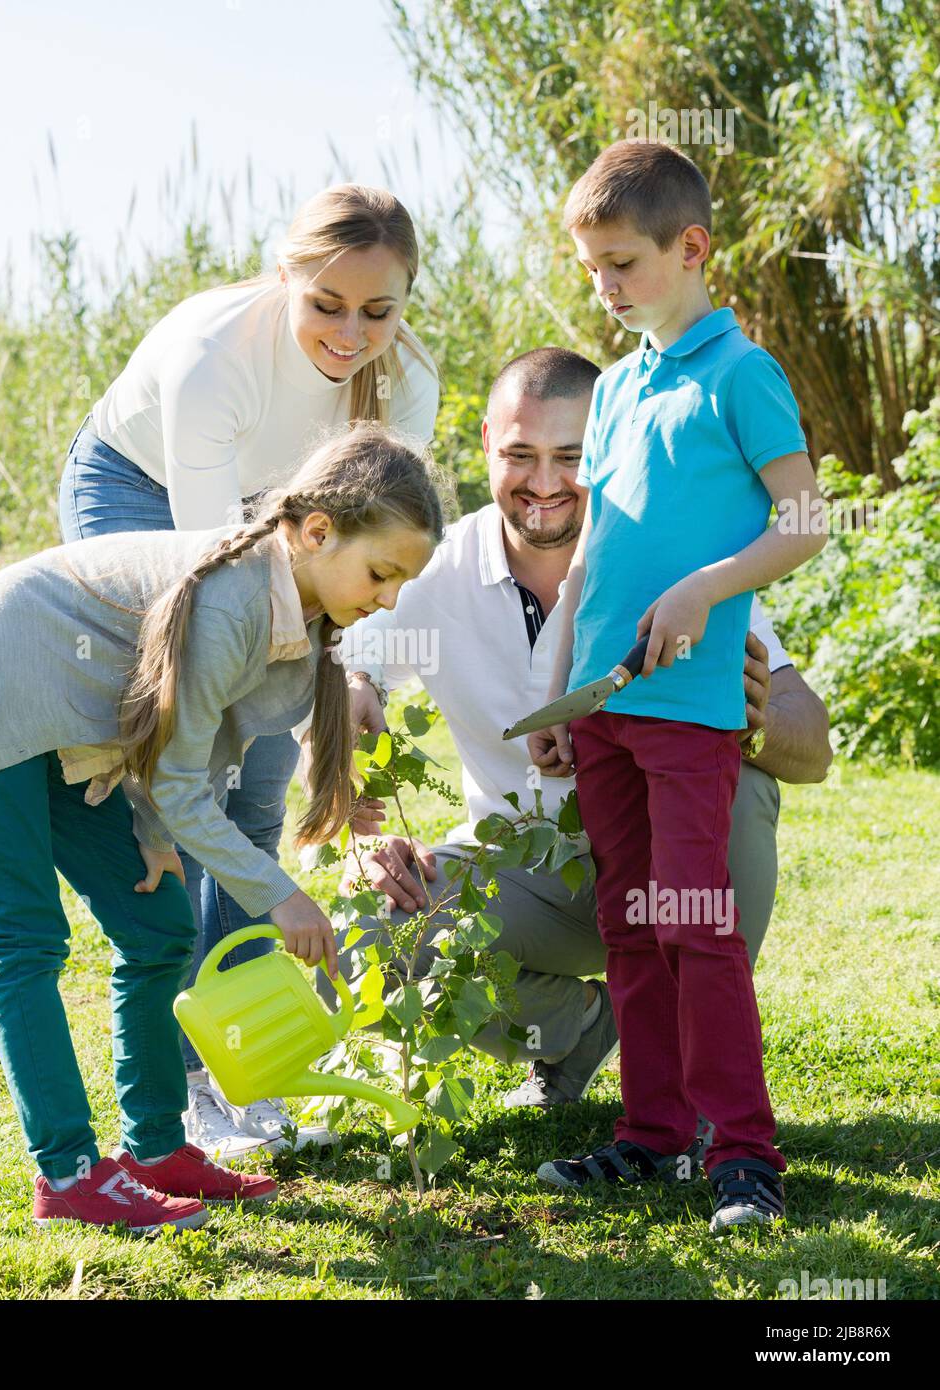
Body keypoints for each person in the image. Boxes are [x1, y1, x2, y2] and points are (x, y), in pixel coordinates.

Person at [0, 424, 449, 1233]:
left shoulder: (296, 608)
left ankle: (155, 1150)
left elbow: (194, 743)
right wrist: (280, 899)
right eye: (381, 573)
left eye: (403, 582)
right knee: (26, 938)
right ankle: (66, 1173)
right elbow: (180, 774)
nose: (389, 599)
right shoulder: (235, 595)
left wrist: (157, 832)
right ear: (315, 531)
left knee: (159, 928)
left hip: (62, 721)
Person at [335, 349, 831, 1123]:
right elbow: (345, 680)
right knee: (366, 930)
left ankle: (695, 1072)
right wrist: (359, 819)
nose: (543, 484)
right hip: (525, 875)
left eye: (571, 457)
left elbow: (815, 747)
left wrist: (747, 723)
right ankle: (573, 1034)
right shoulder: (429, 568)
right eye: (519, 455)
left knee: (743, 786)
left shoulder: (672, 563)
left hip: (675, 856)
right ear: (485, 445)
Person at [56, 183, 439, 1159]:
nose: (352, 333)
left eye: (379, 311)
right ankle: (180, 1074)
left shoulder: (407, 386)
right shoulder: (212, 360)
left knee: (263, 780)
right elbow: (212, 586)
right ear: (285, 275)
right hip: (145, 493)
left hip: (285, 507)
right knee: (201, 763)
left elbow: (375, 554)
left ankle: (246, 1058)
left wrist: (356, 690)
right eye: (327, 304)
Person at [526, 140, 827, 1233]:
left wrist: (706, 588)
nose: (602, 290)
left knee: (693, 919)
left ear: (688, 249)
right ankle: (650, 1136)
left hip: (691, 706)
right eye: (592, 269)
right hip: (603, 708)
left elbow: (802, 521)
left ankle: (742, 1154)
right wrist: (563, 692)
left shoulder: (742, 375)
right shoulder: (613, 388)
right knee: (625, 922)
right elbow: (597, 550)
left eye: (619, 265)